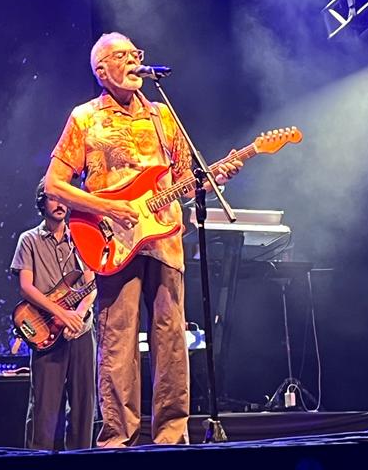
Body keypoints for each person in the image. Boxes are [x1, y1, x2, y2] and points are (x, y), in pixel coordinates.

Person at [43, 32, 242, 447]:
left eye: (137, 55)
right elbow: (54, 185)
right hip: (111, 240)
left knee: (171, 338)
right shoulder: (84, 118)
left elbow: (186, 185)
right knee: (118, 338)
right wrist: (106, 208)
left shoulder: (162, 116)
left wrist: (211, 179)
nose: (135, 61)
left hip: (165, 238)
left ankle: (171, 437)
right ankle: (118, 438)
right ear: (102, 70)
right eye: (123, 56)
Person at [10, 179, 96, 450]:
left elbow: (93, 284)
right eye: (53, 198)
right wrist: (61, 313)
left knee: (84, 406)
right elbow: (26, 286)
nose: (60, 205)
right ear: (42, 203)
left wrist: (79, 316)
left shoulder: (82, 238)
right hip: (46, 329)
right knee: (44, 409)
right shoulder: (29, 240)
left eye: (64, 199)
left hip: (80, 331)